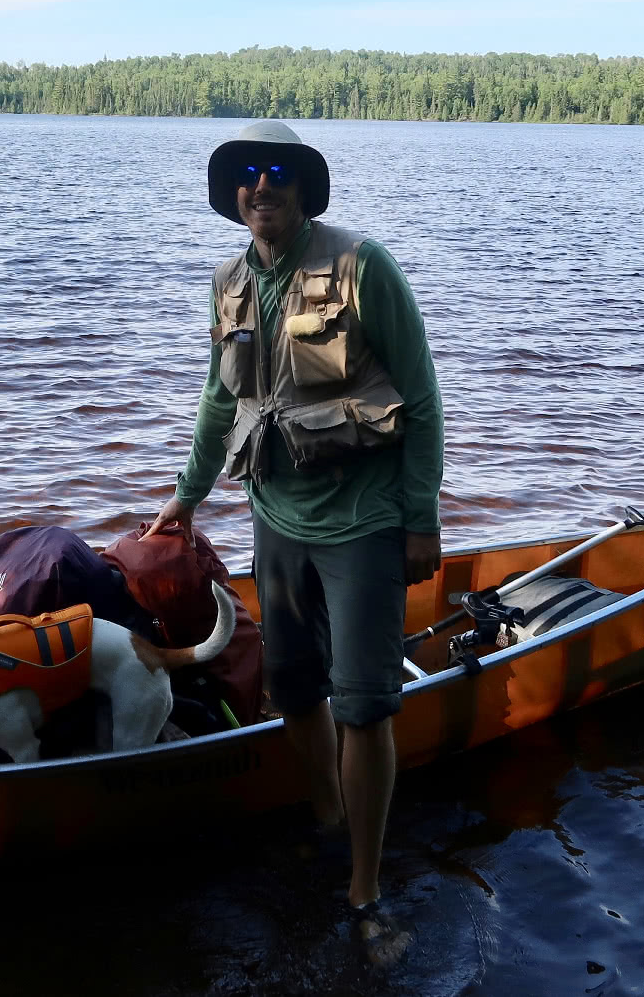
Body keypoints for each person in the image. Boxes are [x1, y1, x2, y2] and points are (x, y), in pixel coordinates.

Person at [145, 119, 444, 926]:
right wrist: (188, 492)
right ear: (232, 193)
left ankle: (365, 882)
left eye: (277, 171)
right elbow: (220, 398)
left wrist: (422, 521)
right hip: (274, 516)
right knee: (293, 687)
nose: (261, 185)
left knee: (363, 704)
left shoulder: (361, 264)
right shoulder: (227, 281)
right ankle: (326, 817)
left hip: (363, 523)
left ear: (302, 186)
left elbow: (420, 397)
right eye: (246, 173)